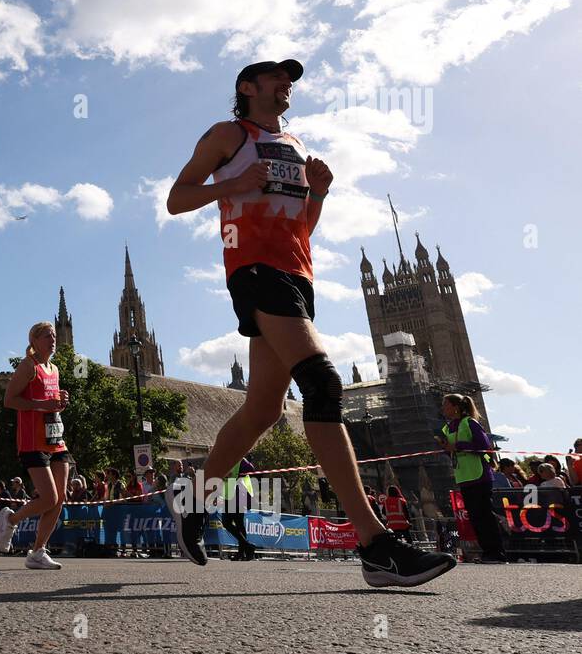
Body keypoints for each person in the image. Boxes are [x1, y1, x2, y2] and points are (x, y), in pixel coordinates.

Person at [164, 58, 455, 588]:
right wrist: (229, 187)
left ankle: (194, 501)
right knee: (321, 383)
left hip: (298, 272)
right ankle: (376, 545)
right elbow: (176, 198)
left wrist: (318, 192)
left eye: (291, 79)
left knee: (263, 408)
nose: (287, 85)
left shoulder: (297, 145)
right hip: (252, 268)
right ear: (248, 88)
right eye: (277, 77)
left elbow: (303, 227)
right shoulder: (229, 134)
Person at [0, 322, 69, 570]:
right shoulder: (29, 365)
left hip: (55, 438)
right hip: (32, 440)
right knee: (49, 497)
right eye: (47, 335)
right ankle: (10, 519)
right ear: (34, 340)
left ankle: (37, 552)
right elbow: (10, 400)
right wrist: (42, 405)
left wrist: (60, 403)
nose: (53, 339)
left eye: (54, 335)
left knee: (60, 498)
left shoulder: (54, 369)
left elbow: (50, 404)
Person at [440, 394, 505, 563]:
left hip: (479, 474)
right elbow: (453, 452)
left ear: (455, 407)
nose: (442, 408)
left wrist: (458, 446)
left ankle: (496, 552)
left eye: (445, 405)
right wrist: (446, 449)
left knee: (484, 515)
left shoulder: (469, 422)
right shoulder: (447, 428)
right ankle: (487, 552)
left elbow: (484, 447)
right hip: (464, 477)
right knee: (475, 516)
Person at [220, 457, 259, 560]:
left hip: (235, 494)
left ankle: (246, 548)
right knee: (239, 524)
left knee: (227, 523)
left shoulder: (238, 458)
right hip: (232, 494)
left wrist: (236, 474)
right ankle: (244, 551)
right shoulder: (228, 459)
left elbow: (251, 468)